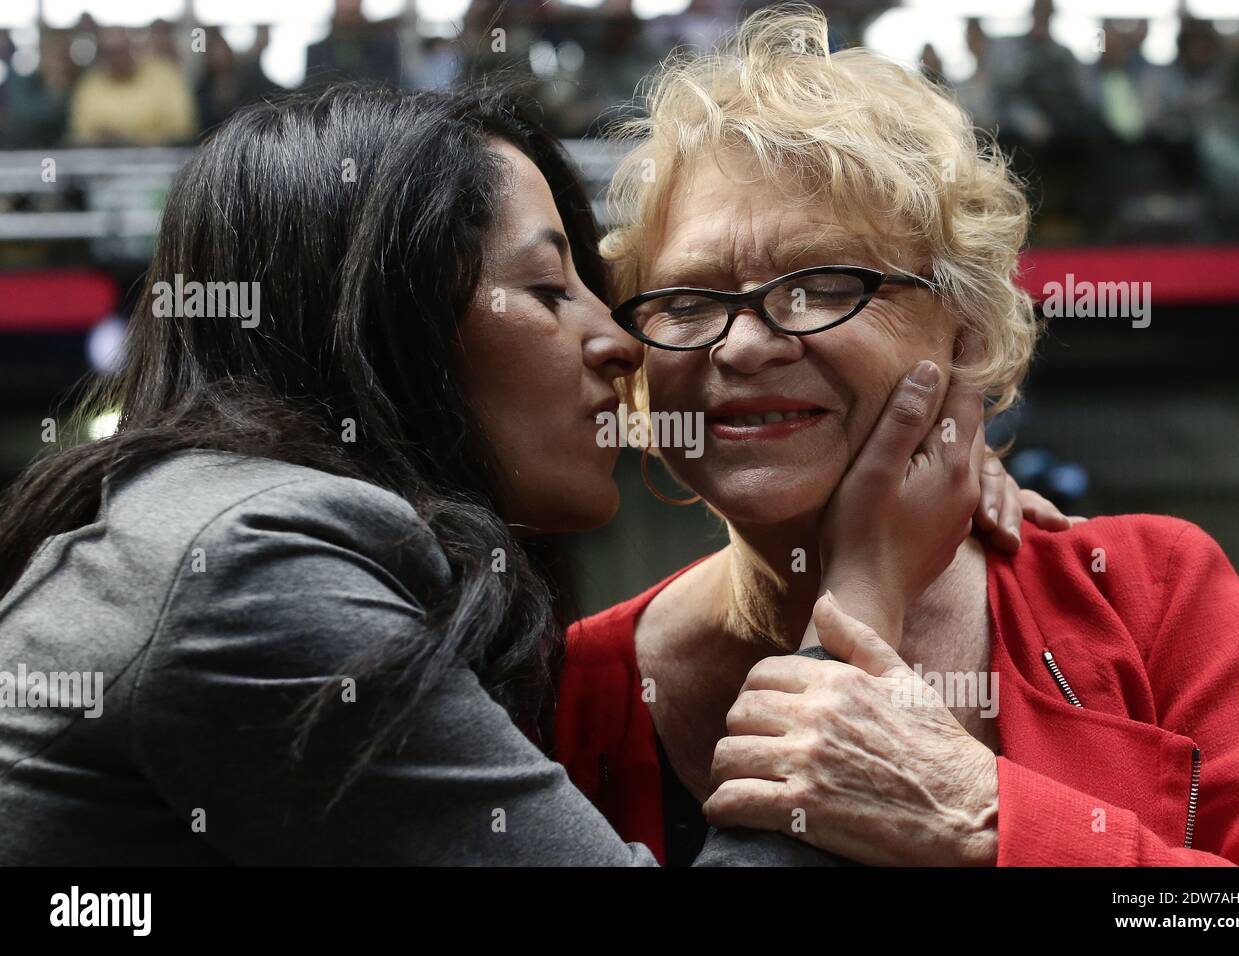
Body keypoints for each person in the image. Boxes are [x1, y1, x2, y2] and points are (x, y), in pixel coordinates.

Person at [1, 83, 899, 866]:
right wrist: (860, 592)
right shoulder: (254, 572)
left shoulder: (196, 526)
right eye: (549, 289)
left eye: (824, 289)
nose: (620, 342)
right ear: (389, 327)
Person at [554, 6, 1239, 866]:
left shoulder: (1144, 591)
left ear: (966, 332)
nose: (745, 343)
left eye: (824, 284)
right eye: (686, 303)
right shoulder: (573, 690)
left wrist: (981, 818)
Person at [66, 26, 197, 145]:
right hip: (102, 161)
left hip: (161, 159)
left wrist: (139, 140)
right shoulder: (90, 85)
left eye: (121, 50)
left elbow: (182, 127)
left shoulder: (165, 76)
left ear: (132, 47)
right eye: (111, 52)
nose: (117, 58)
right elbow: (80, 133)